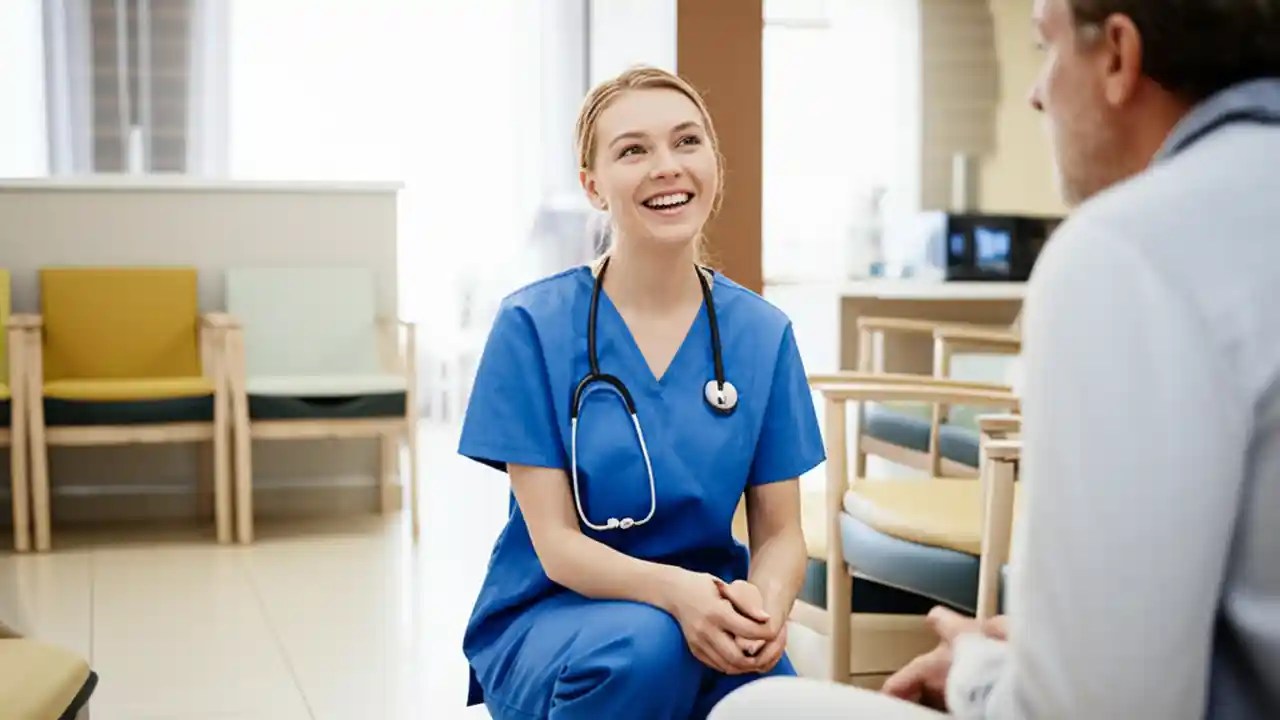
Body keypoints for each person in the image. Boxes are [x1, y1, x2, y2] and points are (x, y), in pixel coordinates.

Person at [710, 0, 1280, 718]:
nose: (1037, 92)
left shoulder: (1127, 252)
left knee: (757, 711)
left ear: (1117, 55)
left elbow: (1099, 707)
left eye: (1045, 48)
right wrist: (1051, 641)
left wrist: (982, 675)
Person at [457, 65, 825, 719]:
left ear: (714, 161)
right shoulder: (532, 326)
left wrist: (763, 606)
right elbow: (556, 544)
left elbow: (781, 534)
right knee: (648, 645)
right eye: (634, 150)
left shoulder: (762, 334)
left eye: (687, 142)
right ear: (593, 185)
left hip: (709, 608)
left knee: (778, 705)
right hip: (559, 610)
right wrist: (677, 595)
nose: (667, 166)